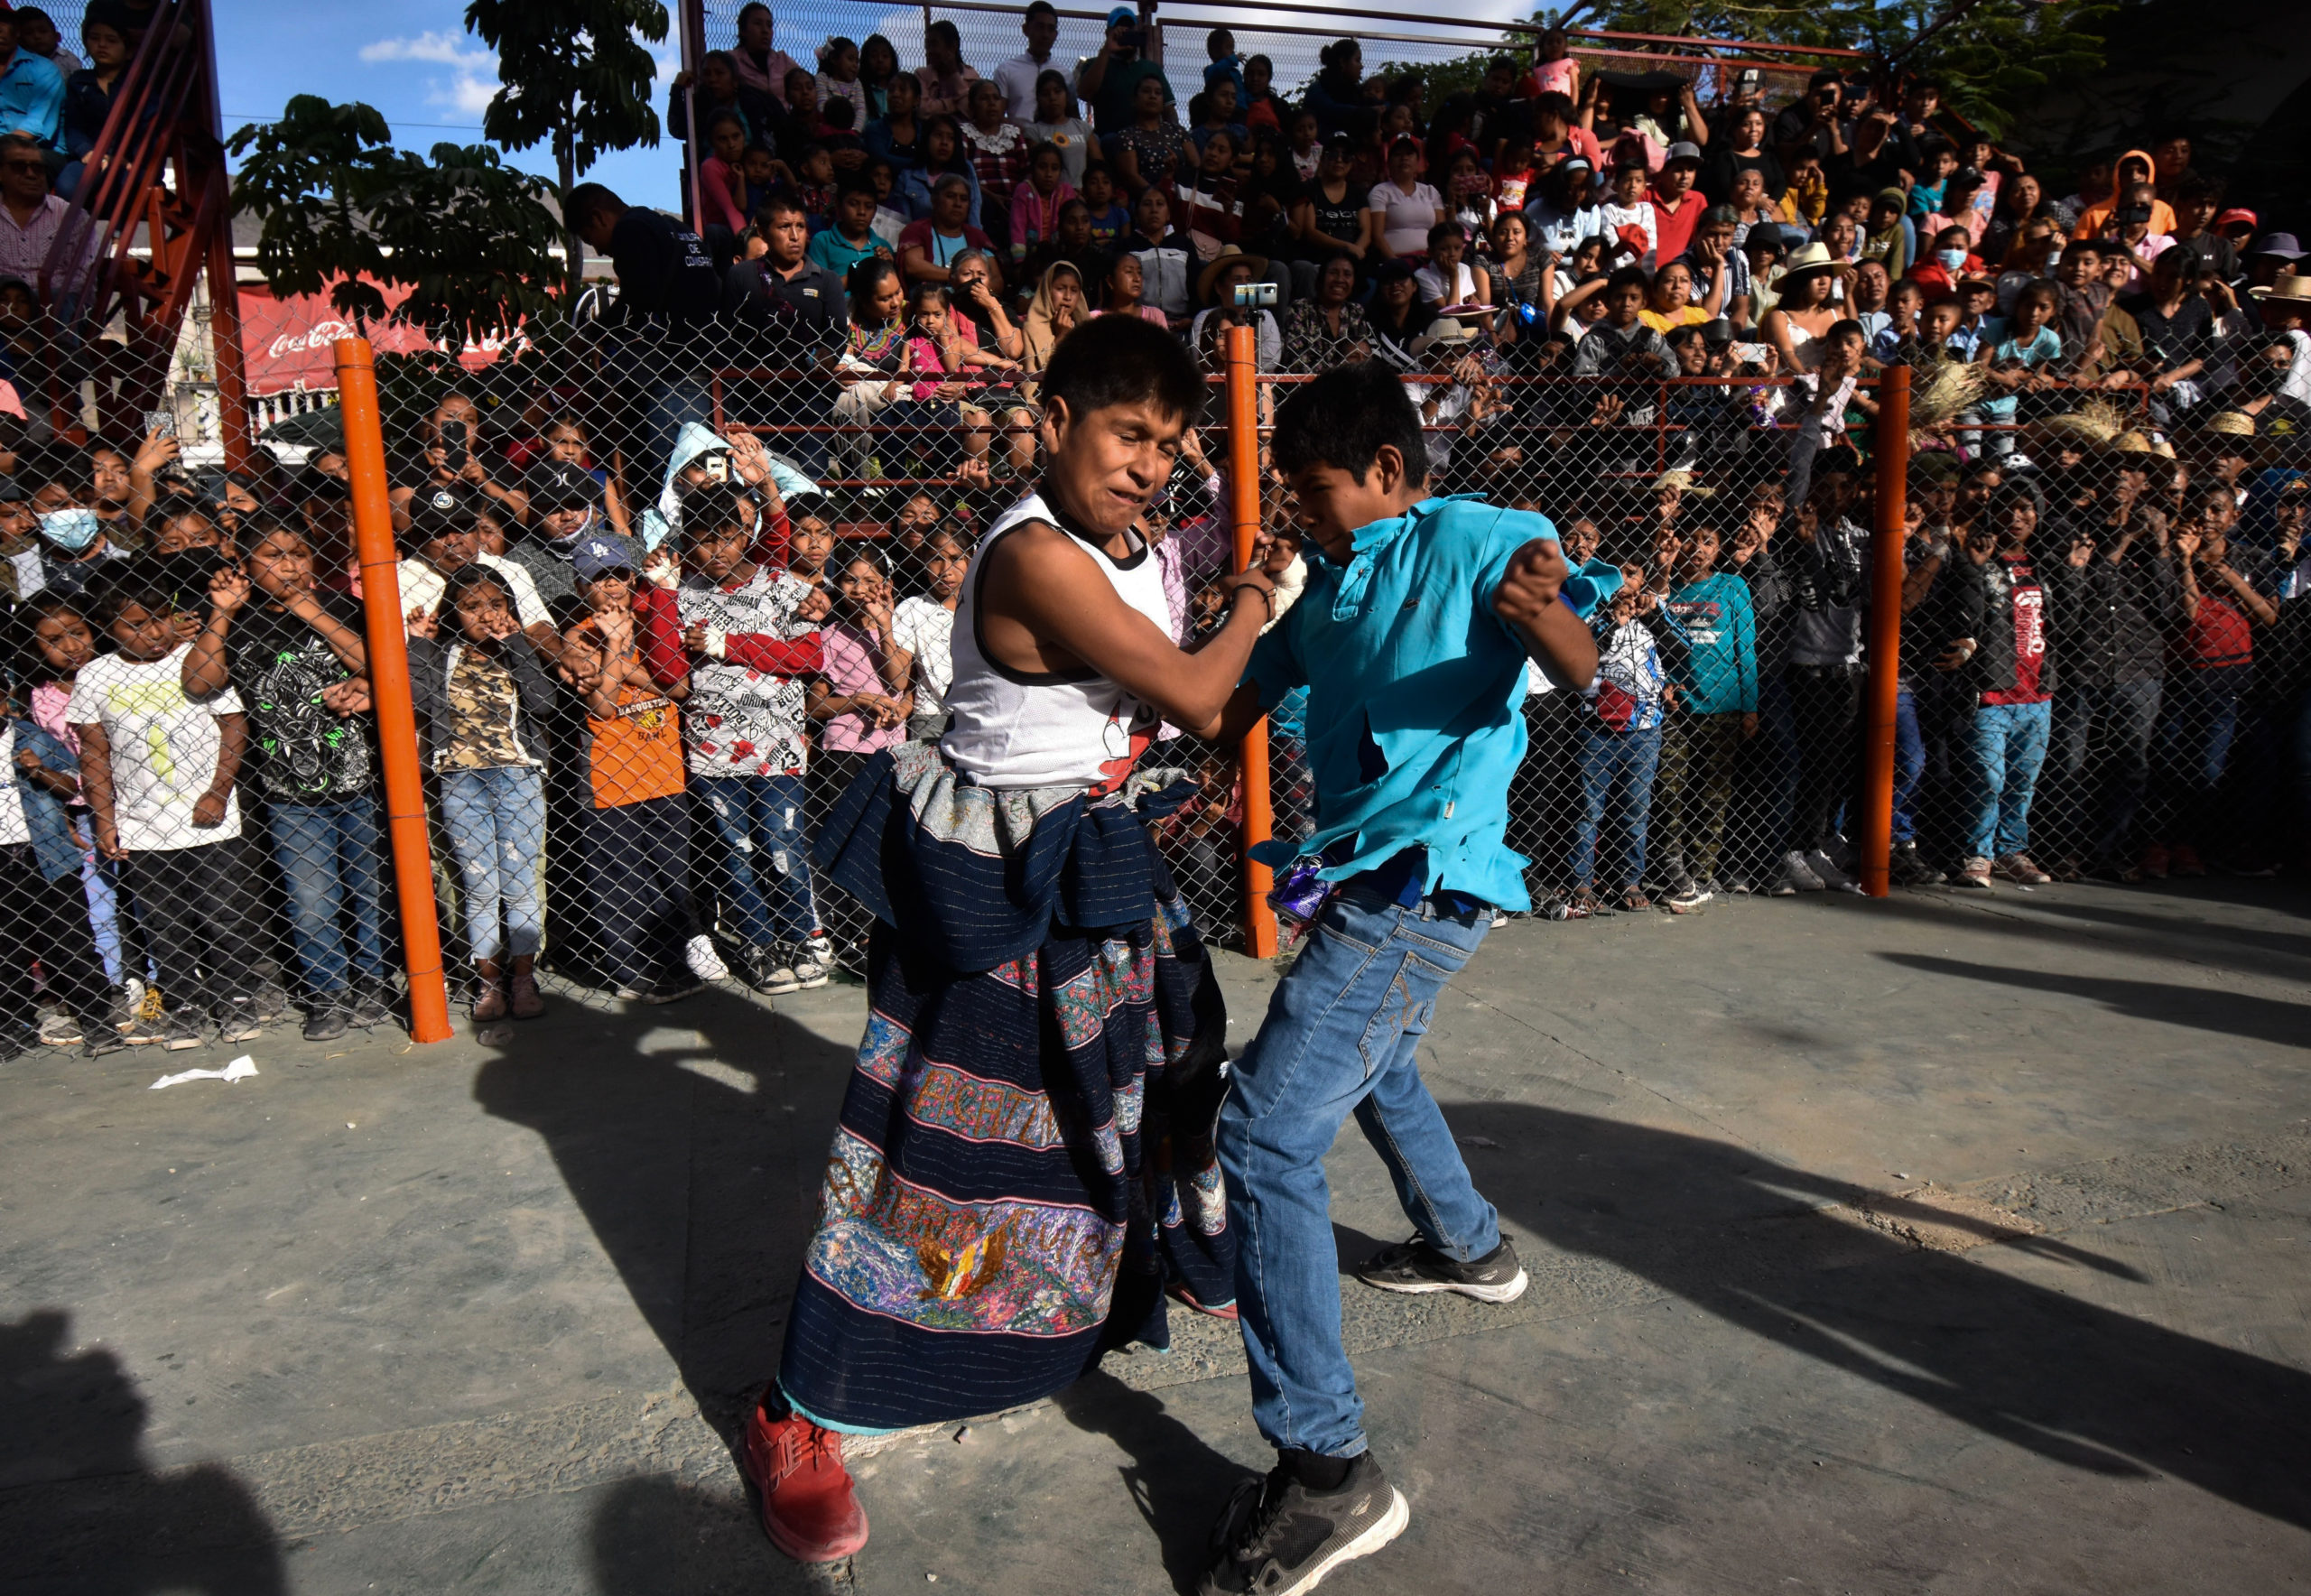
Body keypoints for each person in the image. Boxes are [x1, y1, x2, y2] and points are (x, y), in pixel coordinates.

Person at [742, 315, 1278, 1566]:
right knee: (934, 1149)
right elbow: (1199, 692)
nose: (1150, 463)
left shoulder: (1138, 541)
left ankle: (1192, 1251)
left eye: (1169, 441)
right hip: (992, 883)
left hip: (1101, 852)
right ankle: (803, 1406)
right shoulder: (1036, 556)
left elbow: (1176, 703)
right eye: (1125, 434)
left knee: (1178, 1065)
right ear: (1051, 421)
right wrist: (1260, 597)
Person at [1187, 360, 1605, 1595]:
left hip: (1422, 889)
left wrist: (1543, 617)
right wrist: (1253, 604)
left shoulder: (1482, 538)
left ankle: (1328, 1472)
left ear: (1384, 473)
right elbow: (1225, 707)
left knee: (1263, 1136)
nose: (1307, 518)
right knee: (1378, 1057)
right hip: (1370, 889)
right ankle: (1470, 1247)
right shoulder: (1325, 587)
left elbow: (1581, 663)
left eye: (1319, 494)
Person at [181, 523, 394, 1041]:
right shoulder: (243, 622)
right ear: (245, 565)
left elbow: (382, 665)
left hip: (359, 781)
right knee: (311, 901)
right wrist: (223, 613)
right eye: (274, 557)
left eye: (299, 554)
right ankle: (327, 992)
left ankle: (372, 981)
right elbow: (198, 682)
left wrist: (309, 611)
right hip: (288, 796)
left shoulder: (340, 607)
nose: (291, 566)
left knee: (369, 891)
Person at [69, 574, 265, 1051]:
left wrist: (219, 790)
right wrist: (105, 818)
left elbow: (233, 725)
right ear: (107, 626)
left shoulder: (193, 659)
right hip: (144, 823)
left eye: (159, 619)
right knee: (164, 921)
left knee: (224, 912)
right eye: (136, 624)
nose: (153, 633)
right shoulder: (95, 677)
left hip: (208, 819)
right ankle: (185, 1005)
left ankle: (236, 998)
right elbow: (94, 754)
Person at [658, 484, 831, 998]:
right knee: (736, 851)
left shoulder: (782, 585)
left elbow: (808, 659)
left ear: (742, 536)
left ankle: (800, 938)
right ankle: (758, 942)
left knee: (782, 844)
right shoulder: (683, 593)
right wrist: (664, 594)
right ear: (687, 541)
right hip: (714, 749)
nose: (716, 551)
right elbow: (670, 673)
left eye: (726, 538)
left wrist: (728, 644)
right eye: (703, 540)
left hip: (779, 747)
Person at [404, 565, 558, 1022]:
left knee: (521, 883)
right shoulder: (443, 653)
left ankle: (524, 979)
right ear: (453, 612)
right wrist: (418, 642)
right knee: (479, 885)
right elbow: (414, 698)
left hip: (518, 775)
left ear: (510, 608)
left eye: (496, 604)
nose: (485, 615)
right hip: (460, 778)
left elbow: (543, 702)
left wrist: (515, 644)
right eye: (472, 607)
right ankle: (488, 984)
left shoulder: (517, 650)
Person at [994, 1, 1060, 120]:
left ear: (1055, 35)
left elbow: (1072, 117)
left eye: (1050, 29)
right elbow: (997, 116)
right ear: (1025, 29)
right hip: (1019, 137)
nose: (1045, 34)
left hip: (1057, 137)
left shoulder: (1064, 74)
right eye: (1040, 27)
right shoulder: (1006, 70)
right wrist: (1018, 131)